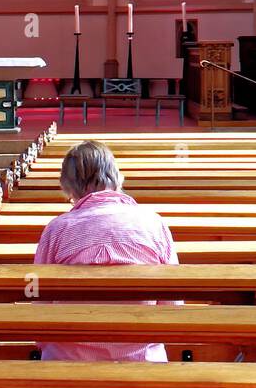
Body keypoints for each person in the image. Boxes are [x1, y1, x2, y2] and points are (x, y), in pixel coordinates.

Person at [33, 139, 178, 361]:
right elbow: (172, 305)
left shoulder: (57, 229)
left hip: (69, 361)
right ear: (117, 177)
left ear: (68, 185)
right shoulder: (154, 224)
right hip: (142, 360)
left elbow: (39, 301)